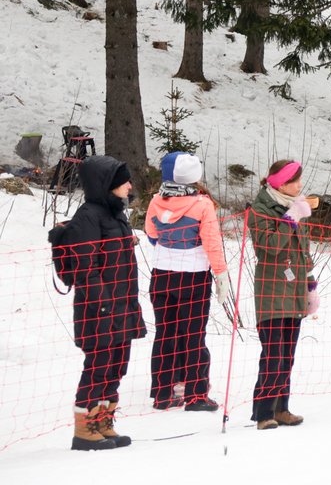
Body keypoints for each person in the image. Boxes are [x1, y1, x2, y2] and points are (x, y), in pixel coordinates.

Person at [57, 155, 145, 450]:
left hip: (122, 305)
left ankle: (104, 421)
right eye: (124, 181)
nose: (129, 186)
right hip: (98, 310)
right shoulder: (88, 217)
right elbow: (86, 269)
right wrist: (104, 304)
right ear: (106, 184)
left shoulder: (116, 214)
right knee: (98, 367)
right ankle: (85, 429)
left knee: (117, 366)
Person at [144, 152, 228, 412]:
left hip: (162, 274)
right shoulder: (202, 204)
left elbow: (151, 233)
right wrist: (221, 273)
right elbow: (211, 242)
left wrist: (169, 241)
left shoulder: (156, 200)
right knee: (193, 334)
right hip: (192, 276)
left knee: (165, 333)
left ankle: (162, 393)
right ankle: (196, 394)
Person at [248, 160, 315, 430]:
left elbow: (303, 249)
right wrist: (291, 219)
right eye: (294, 181)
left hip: (295, 288)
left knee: (288, 355)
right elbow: (270, 245)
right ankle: (263, 413)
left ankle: (282, 408)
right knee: (273, 355)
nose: (299, 185)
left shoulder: (296, 206)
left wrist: (310, 283)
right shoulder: (260, 209)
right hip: (272, 290)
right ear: (280, 183)